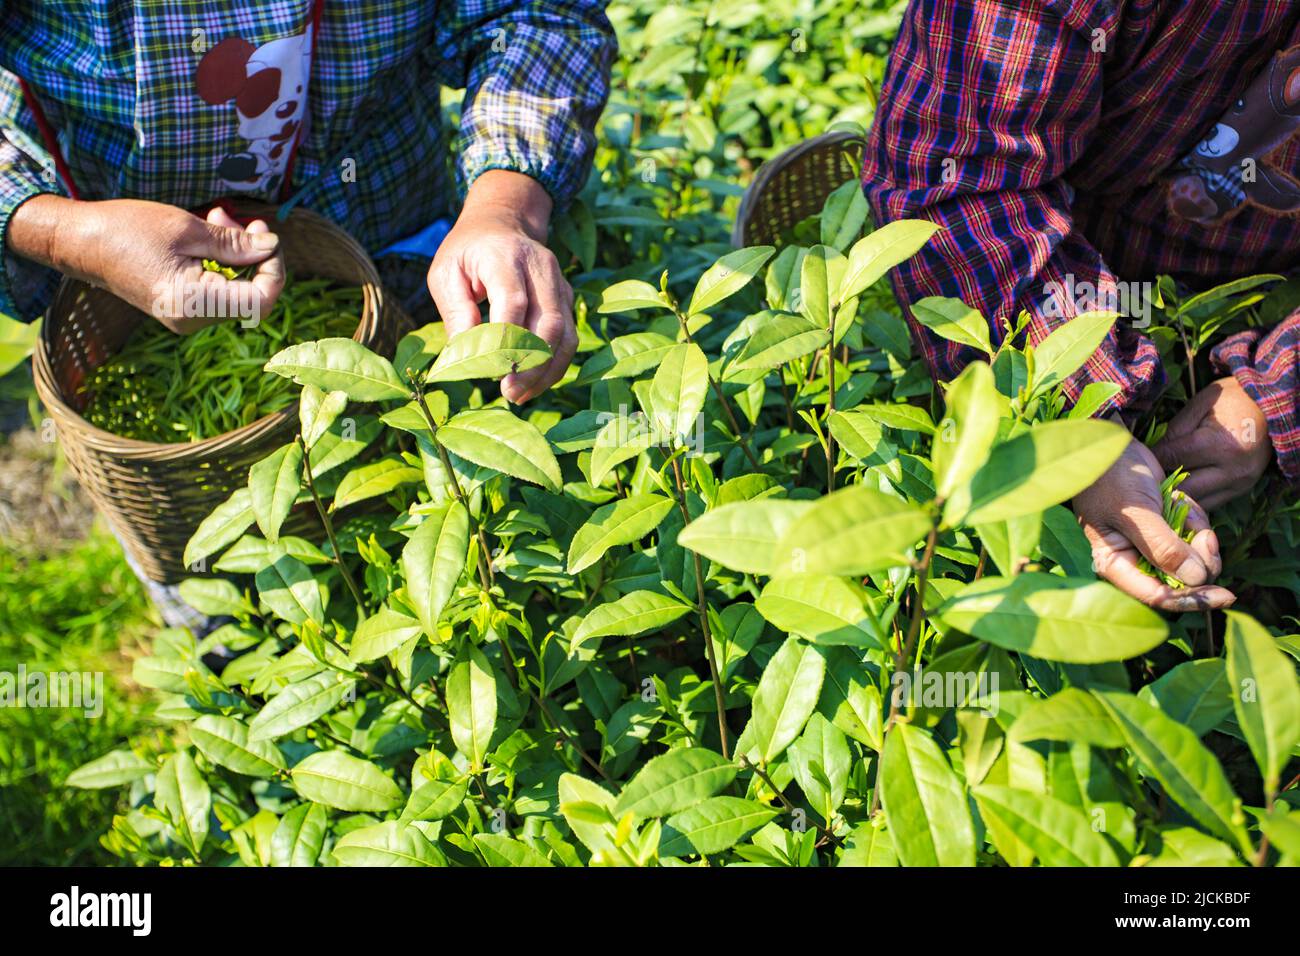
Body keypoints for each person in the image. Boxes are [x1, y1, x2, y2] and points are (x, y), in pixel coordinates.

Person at [0, 0, 615, 630]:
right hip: (117, 284)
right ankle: (229, 647)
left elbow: (537, 12)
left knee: (433, 525)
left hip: (401, 245)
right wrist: (58, 235)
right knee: (225, 590)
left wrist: (504, 206)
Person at [863, 0, 1300, 612]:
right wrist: (1082, 432)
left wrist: (1277, 388)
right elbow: (954, 178)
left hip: (1247, 297)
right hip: (1040, 277)